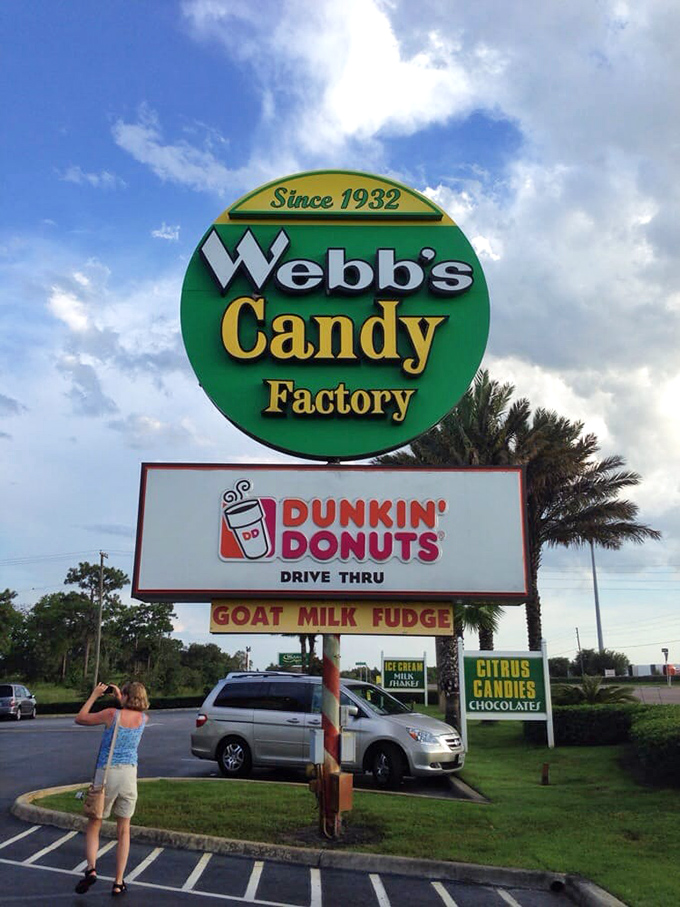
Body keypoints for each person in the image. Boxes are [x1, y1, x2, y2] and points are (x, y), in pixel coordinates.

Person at [74, 681, 149, 897]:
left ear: (125, 696)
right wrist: (121, 697)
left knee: (95, 821)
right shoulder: (144, 719)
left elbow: (80, 718)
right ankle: (118, 882)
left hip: (107, 773)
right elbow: (128, 711)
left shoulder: (110, 714)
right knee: (124, 829)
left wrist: (95, 695)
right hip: (129, 775)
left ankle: (91, 868)